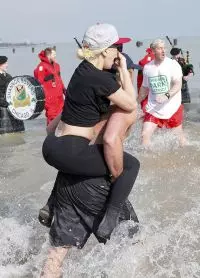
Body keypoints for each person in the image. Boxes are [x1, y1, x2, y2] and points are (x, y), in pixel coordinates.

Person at [41, 23, 139, 242]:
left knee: (76, 156)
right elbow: (130, 106)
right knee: (131, 165)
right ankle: (111, 217)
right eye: (117, 48)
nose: (118, 53)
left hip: (52, 146)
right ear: (105, 50)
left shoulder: (81, 72)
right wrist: (123, 70)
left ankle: (52, 202)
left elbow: (50, 128)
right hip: (71, 152)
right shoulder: (102, 80)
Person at [40, 114, 139, 278]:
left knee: (56, 255)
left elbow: (52, 129)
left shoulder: (78, 100)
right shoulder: (118, 99)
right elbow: (109, 139)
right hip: (96, 185)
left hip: (66, 181)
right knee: (131, 242)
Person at [138, 39, 186, 146]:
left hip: (172, 107)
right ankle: (148, 160)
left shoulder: (173, 65)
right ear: (153, 51)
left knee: (180, 139)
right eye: (160, 48)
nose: (163, 51)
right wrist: (136, 104)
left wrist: (166, 95)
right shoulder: (147, 67)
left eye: (164, 48)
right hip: (153, 108)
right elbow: (144, 88)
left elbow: (178, 84)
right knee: (144, 135)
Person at [34, 48, 65, 125]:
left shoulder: (57, 66)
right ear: (49, 55)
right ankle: (51, 134)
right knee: (52, 116)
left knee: (63, 115)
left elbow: (60, 80)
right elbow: (39, 83)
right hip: (49, 98)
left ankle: (60, 134)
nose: (55, 56)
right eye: (54, 55)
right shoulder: (42, 67)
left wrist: (64, 90)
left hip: (59, 96)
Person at [0, 56, 25, 133]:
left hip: (11, 106)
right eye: (5, 63)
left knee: (18, 131)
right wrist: (3, 102)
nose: (7, 65)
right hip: (2, 107)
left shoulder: (8, 76)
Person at [137, 46, 155, 113]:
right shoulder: (159, 59)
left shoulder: (143, 60)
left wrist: (139, 90)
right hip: (155, 88)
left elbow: (139, 78)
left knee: (146, 108)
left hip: (144, 87)